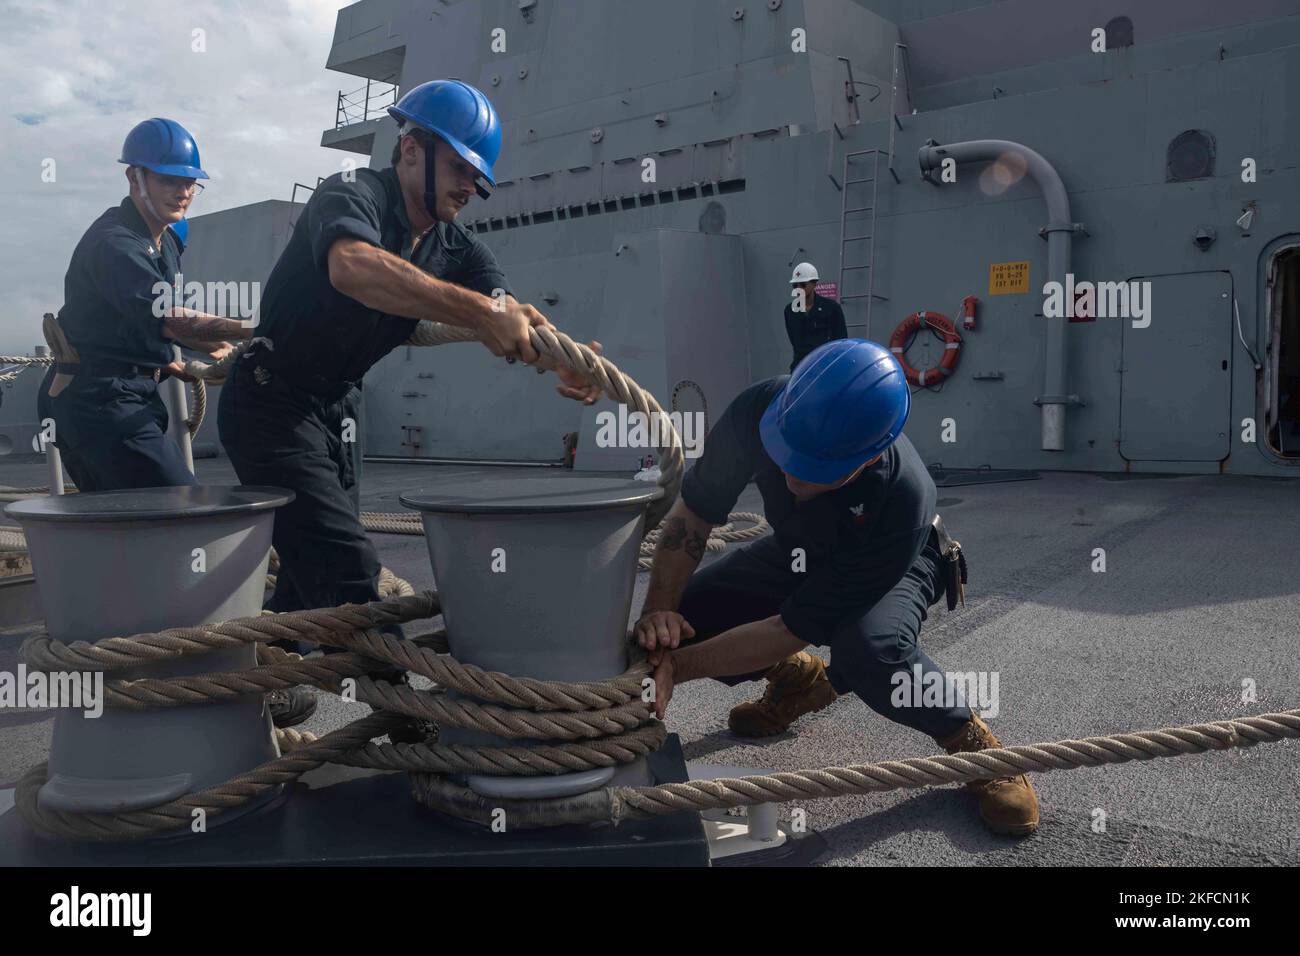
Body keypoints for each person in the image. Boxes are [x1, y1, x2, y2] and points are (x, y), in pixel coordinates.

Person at [216, 79, 599, 735]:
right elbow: (353, 268)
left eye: (477, 181)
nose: (466, 190)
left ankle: (265, 675)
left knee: (310, 576)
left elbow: (511, 317)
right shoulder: (350, 195)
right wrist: (479, 311)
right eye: (457, 169)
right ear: (410, 149)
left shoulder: (455, 246)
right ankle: (409, 726)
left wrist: (564, 358)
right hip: (269, 402)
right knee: (353, 576)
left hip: (336, 410)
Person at [633, 339, 1040, 835]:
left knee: (869, 651)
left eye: (812, 469)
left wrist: (678, 668)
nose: (789, 475)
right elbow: (692, 517)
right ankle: (801, 680)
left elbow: (792, 626)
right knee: (688, 614)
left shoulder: (902, 499)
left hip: (896, 558)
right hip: (803, 546)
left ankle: (971, 742)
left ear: (866, 460)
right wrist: (658, 609)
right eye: (786, 455)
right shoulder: (758, 410)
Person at [37, 118, 245, 495]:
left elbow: (125, 320)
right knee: (180, 504)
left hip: (130, 395)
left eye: (189, 183)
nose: (182, 192)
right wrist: (254, 329)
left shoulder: (167, 239)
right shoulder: (114, 243)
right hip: (97, 401)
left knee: (127, 524)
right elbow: (167, 317)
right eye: (168, 180)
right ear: (135, 178)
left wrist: (184, 357)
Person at [783, 262, 846, 372]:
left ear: (814, 284)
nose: (798, 288)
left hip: (826, 366)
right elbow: (795, 342)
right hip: (801, 367)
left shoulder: (831, 308)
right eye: (795, 285)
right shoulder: (790, 311)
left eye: (802, 284)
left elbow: (841, 340)